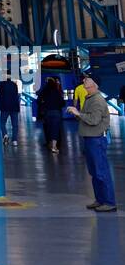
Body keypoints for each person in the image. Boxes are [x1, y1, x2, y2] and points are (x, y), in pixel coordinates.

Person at [67, 76, 117, 212]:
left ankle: (109, 202)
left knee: (101, 172)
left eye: (87, 82)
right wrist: (77, 114)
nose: (84, 83)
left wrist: (78, 113)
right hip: (90, 138)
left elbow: (94, 120)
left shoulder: (97, 101)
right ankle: (100, 199)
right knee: (94, 172)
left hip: (96, 139)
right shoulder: (90, 98)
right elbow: (86, 117)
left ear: (94, 85)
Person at [37, 74, 64, 153]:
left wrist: (44, 103)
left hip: (47, 113)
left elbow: (38, 101)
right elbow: (62, 103)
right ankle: (54, 146)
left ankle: (49, 143)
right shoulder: (57, 92)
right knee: (55, 129)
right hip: (56, 112)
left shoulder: (44, 91)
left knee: (48, 128)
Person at [0, 73, 21, 146]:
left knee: (2, 122)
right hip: (14, 107)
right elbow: (17, 94)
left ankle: (5, 135)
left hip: (5, 107)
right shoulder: (14, 85)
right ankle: (14, 141)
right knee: (15, 125)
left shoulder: (1, 85)